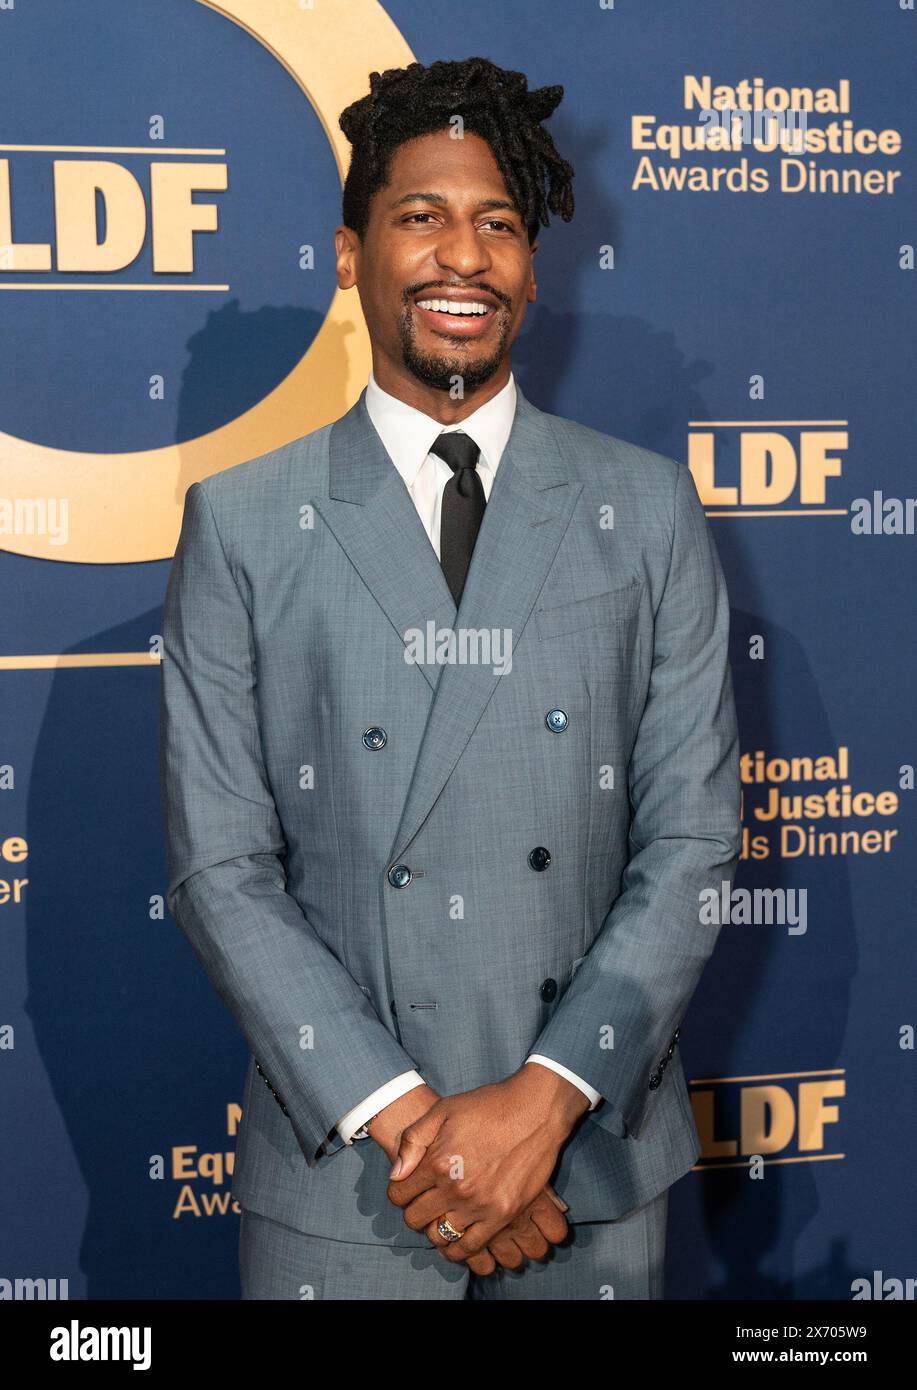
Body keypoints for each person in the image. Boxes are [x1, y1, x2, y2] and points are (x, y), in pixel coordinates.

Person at [159, 56, 741, 1301]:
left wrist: (538, 1110)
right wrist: (424, 1137)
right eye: (418, 216)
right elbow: (222, 868)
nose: (461, 257)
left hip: (584, 1167)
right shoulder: (245, 522)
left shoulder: (642, 506)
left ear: (532, 265)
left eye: (498, 224)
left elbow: (691, 837)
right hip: (350, 1189)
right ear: (349, 254)